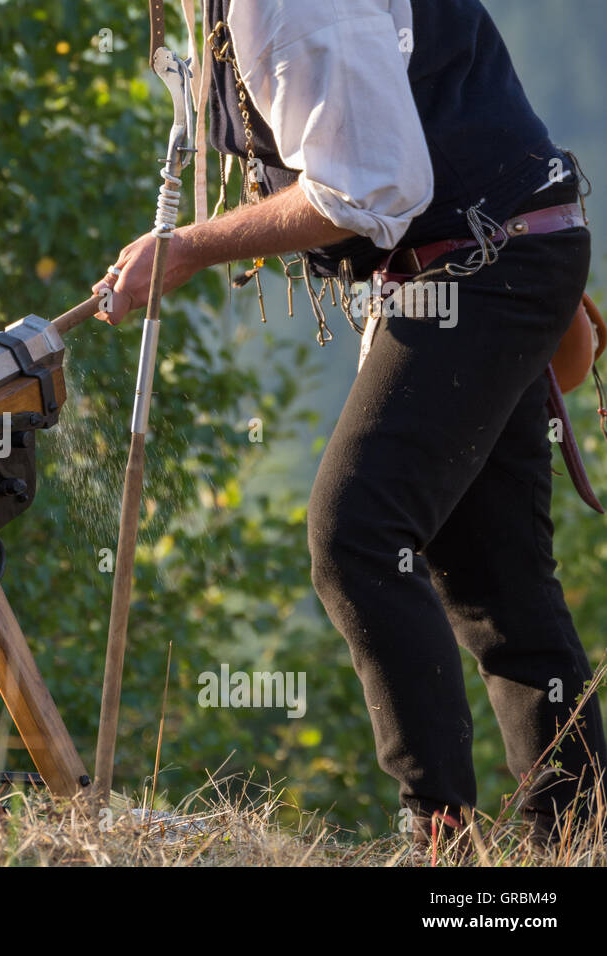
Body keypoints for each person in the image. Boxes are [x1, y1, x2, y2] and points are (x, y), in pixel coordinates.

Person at [92, 0, 606, 847]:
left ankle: (438, 837)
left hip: (485, 258)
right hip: (476, 254)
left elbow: (375, 186)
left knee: (357, 533)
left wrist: (185, 250)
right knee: (493, 581)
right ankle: (578, 839)